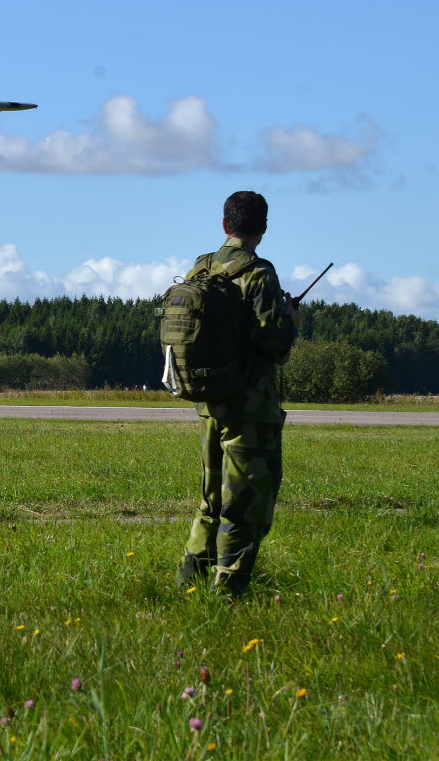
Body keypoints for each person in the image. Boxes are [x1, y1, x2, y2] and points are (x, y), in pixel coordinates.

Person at [178, 190, 299, 598]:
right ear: (262, 228)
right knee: (245, 505)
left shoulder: (200, 267)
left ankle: (189, 582)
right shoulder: (259, 273)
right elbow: (275, 344)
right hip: (250, 408)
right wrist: (291, 320)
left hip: (209, 404)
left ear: (224, 224)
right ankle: (228, 595)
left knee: (211, 501)